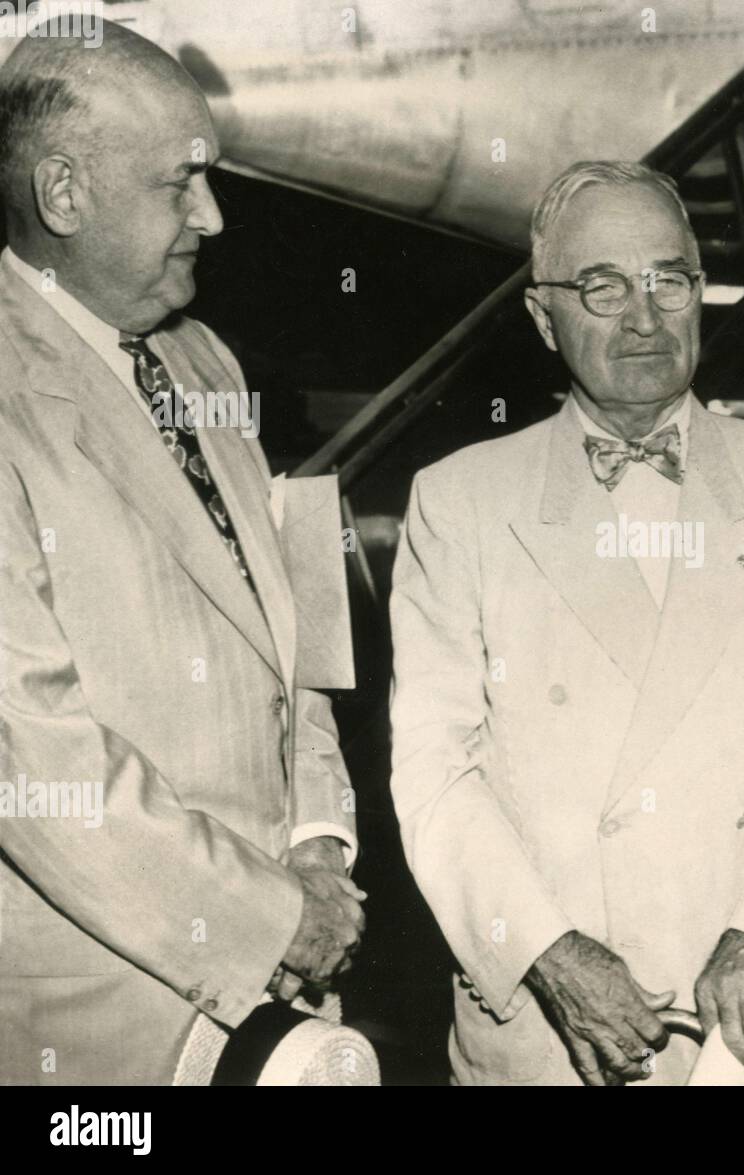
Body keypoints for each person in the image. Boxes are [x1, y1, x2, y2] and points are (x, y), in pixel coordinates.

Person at [389, 160, 744, 1085]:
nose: (643, 315)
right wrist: (547, 952)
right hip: (555, 1031)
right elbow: (433, 771)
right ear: (545, 319)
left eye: (669, 280)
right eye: (602, 285)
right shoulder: (458, 501)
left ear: (701, 295)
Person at [0, 22, 362, 1085]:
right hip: (106, 1022)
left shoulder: (202, 355)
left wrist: (318, 838)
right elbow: (34, 764)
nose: (213, 215)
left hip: (290, 981)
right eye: (182, 183)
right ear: (63, 194)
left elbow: (300, 627)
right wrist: (270, 918)